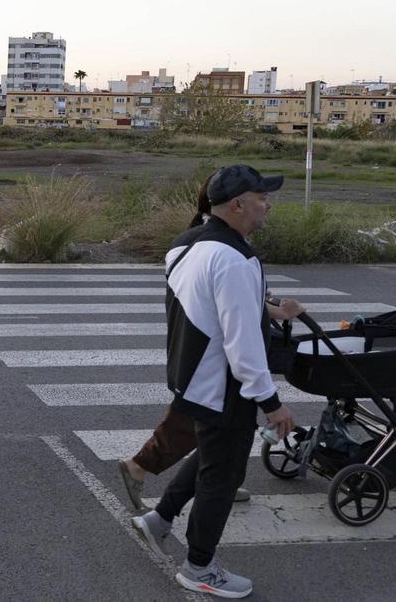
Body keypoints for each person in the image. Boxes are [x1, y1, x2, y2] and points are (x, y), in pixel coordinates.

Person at [130, 165, 296, 598]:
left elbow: (213, 302)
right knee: (223, 476)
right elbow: (243, 342)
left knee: (210, 453)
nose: (268, 205)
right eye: (262, 197)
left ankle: (159, 518)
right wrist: (271, 402)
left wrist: (271, 309)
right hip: (224, 384)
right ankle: (199, 566)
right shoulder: (236, 259)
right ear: (238, 204)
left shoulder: (187, 243)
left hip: (191, 374)